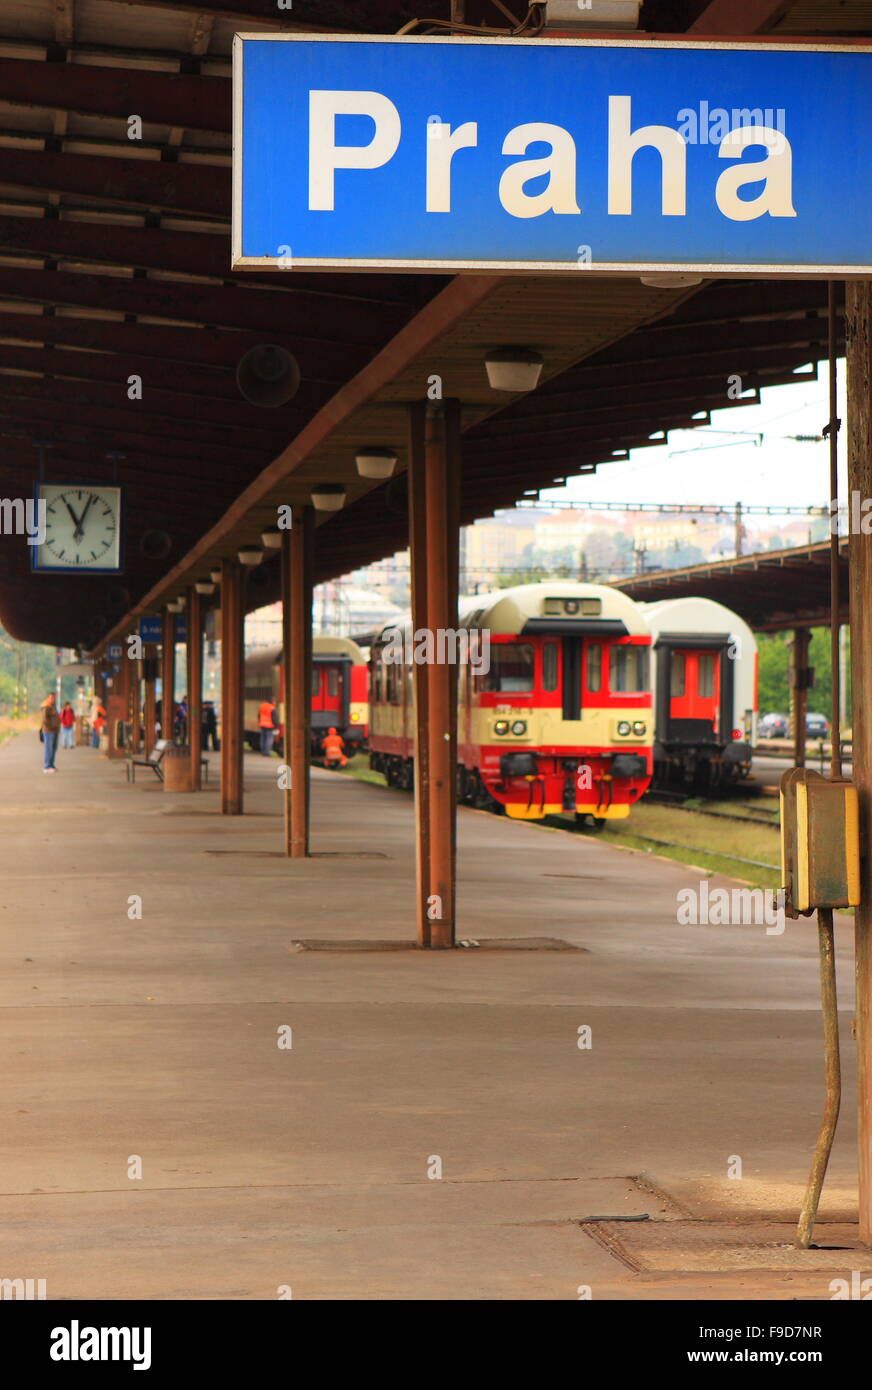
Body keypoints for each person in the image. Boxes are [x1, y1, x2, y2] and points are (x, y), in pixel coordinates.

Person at [40, 694, 61, 773]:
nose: (52, 699)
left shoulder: (53, 707)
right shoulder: (46, 707)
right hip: (49, 730)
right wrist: (52, 726)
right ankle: (47, 766)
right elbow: (45, 720)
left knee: (54, 748)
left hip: (55, 730)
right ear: (47, 698)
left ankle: (51, 765)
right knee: (49, 748)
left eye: (53, 698)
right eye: (51, 698)